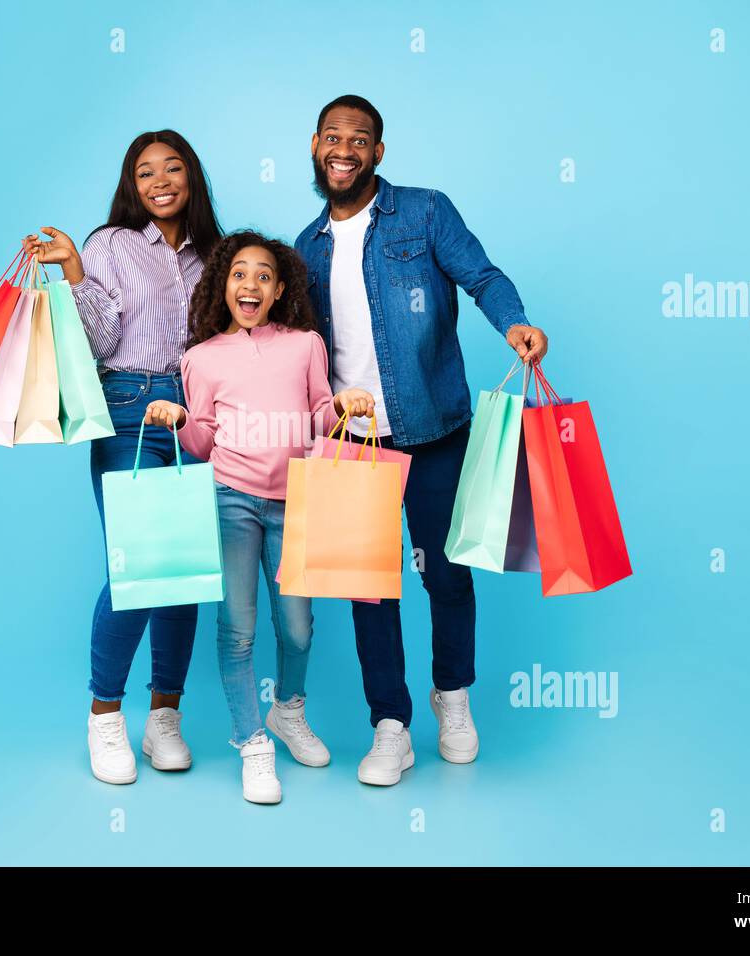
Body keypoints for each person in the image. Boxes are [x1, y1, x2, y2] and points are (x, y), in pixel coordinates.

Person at [293, 95, 550, 786]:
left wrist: (515, 323)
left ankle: (454, 698)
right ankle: (391, 727)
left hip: (436, 428)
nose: (345, 148)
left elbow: (484, 278)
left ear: (379, 152)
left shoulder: (425, 212)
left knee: (446, 572)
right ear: (316, 145)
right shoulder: (303, 248)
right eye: (333, 136)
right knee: (367, 589)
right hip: (354, 441)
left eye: (361, 138)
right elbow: (297, 348)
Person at [143, 231, 375, 804]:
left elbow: (321, 412)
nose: (251, 284)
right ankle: (252, 744)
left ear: (279, 292)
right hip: (232, 502)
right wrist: (176, 419)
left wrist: (343, 405)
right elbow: (201, 442)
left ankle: (287, 711)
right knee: (239, 630)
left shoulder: (305, 345)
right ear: (223, 286)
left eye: (264, 276)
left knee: (298, 627)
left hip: (298, 499)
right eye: (239, 273)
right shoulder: (198, 358)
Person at [22, 130, 222, 785]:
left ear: (190, 178)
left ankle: (165, 716)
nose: (160, 181)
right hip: (130, 407)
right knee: (138, 568)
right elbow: (102, 340)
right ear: (131, 185)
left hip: (193, 411)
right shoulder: (109, 244)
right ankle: (105, 718)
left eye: (172, 169)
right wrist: (75, 271)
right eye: (145, 172)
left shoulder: (214, 255)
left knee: (184, 570)